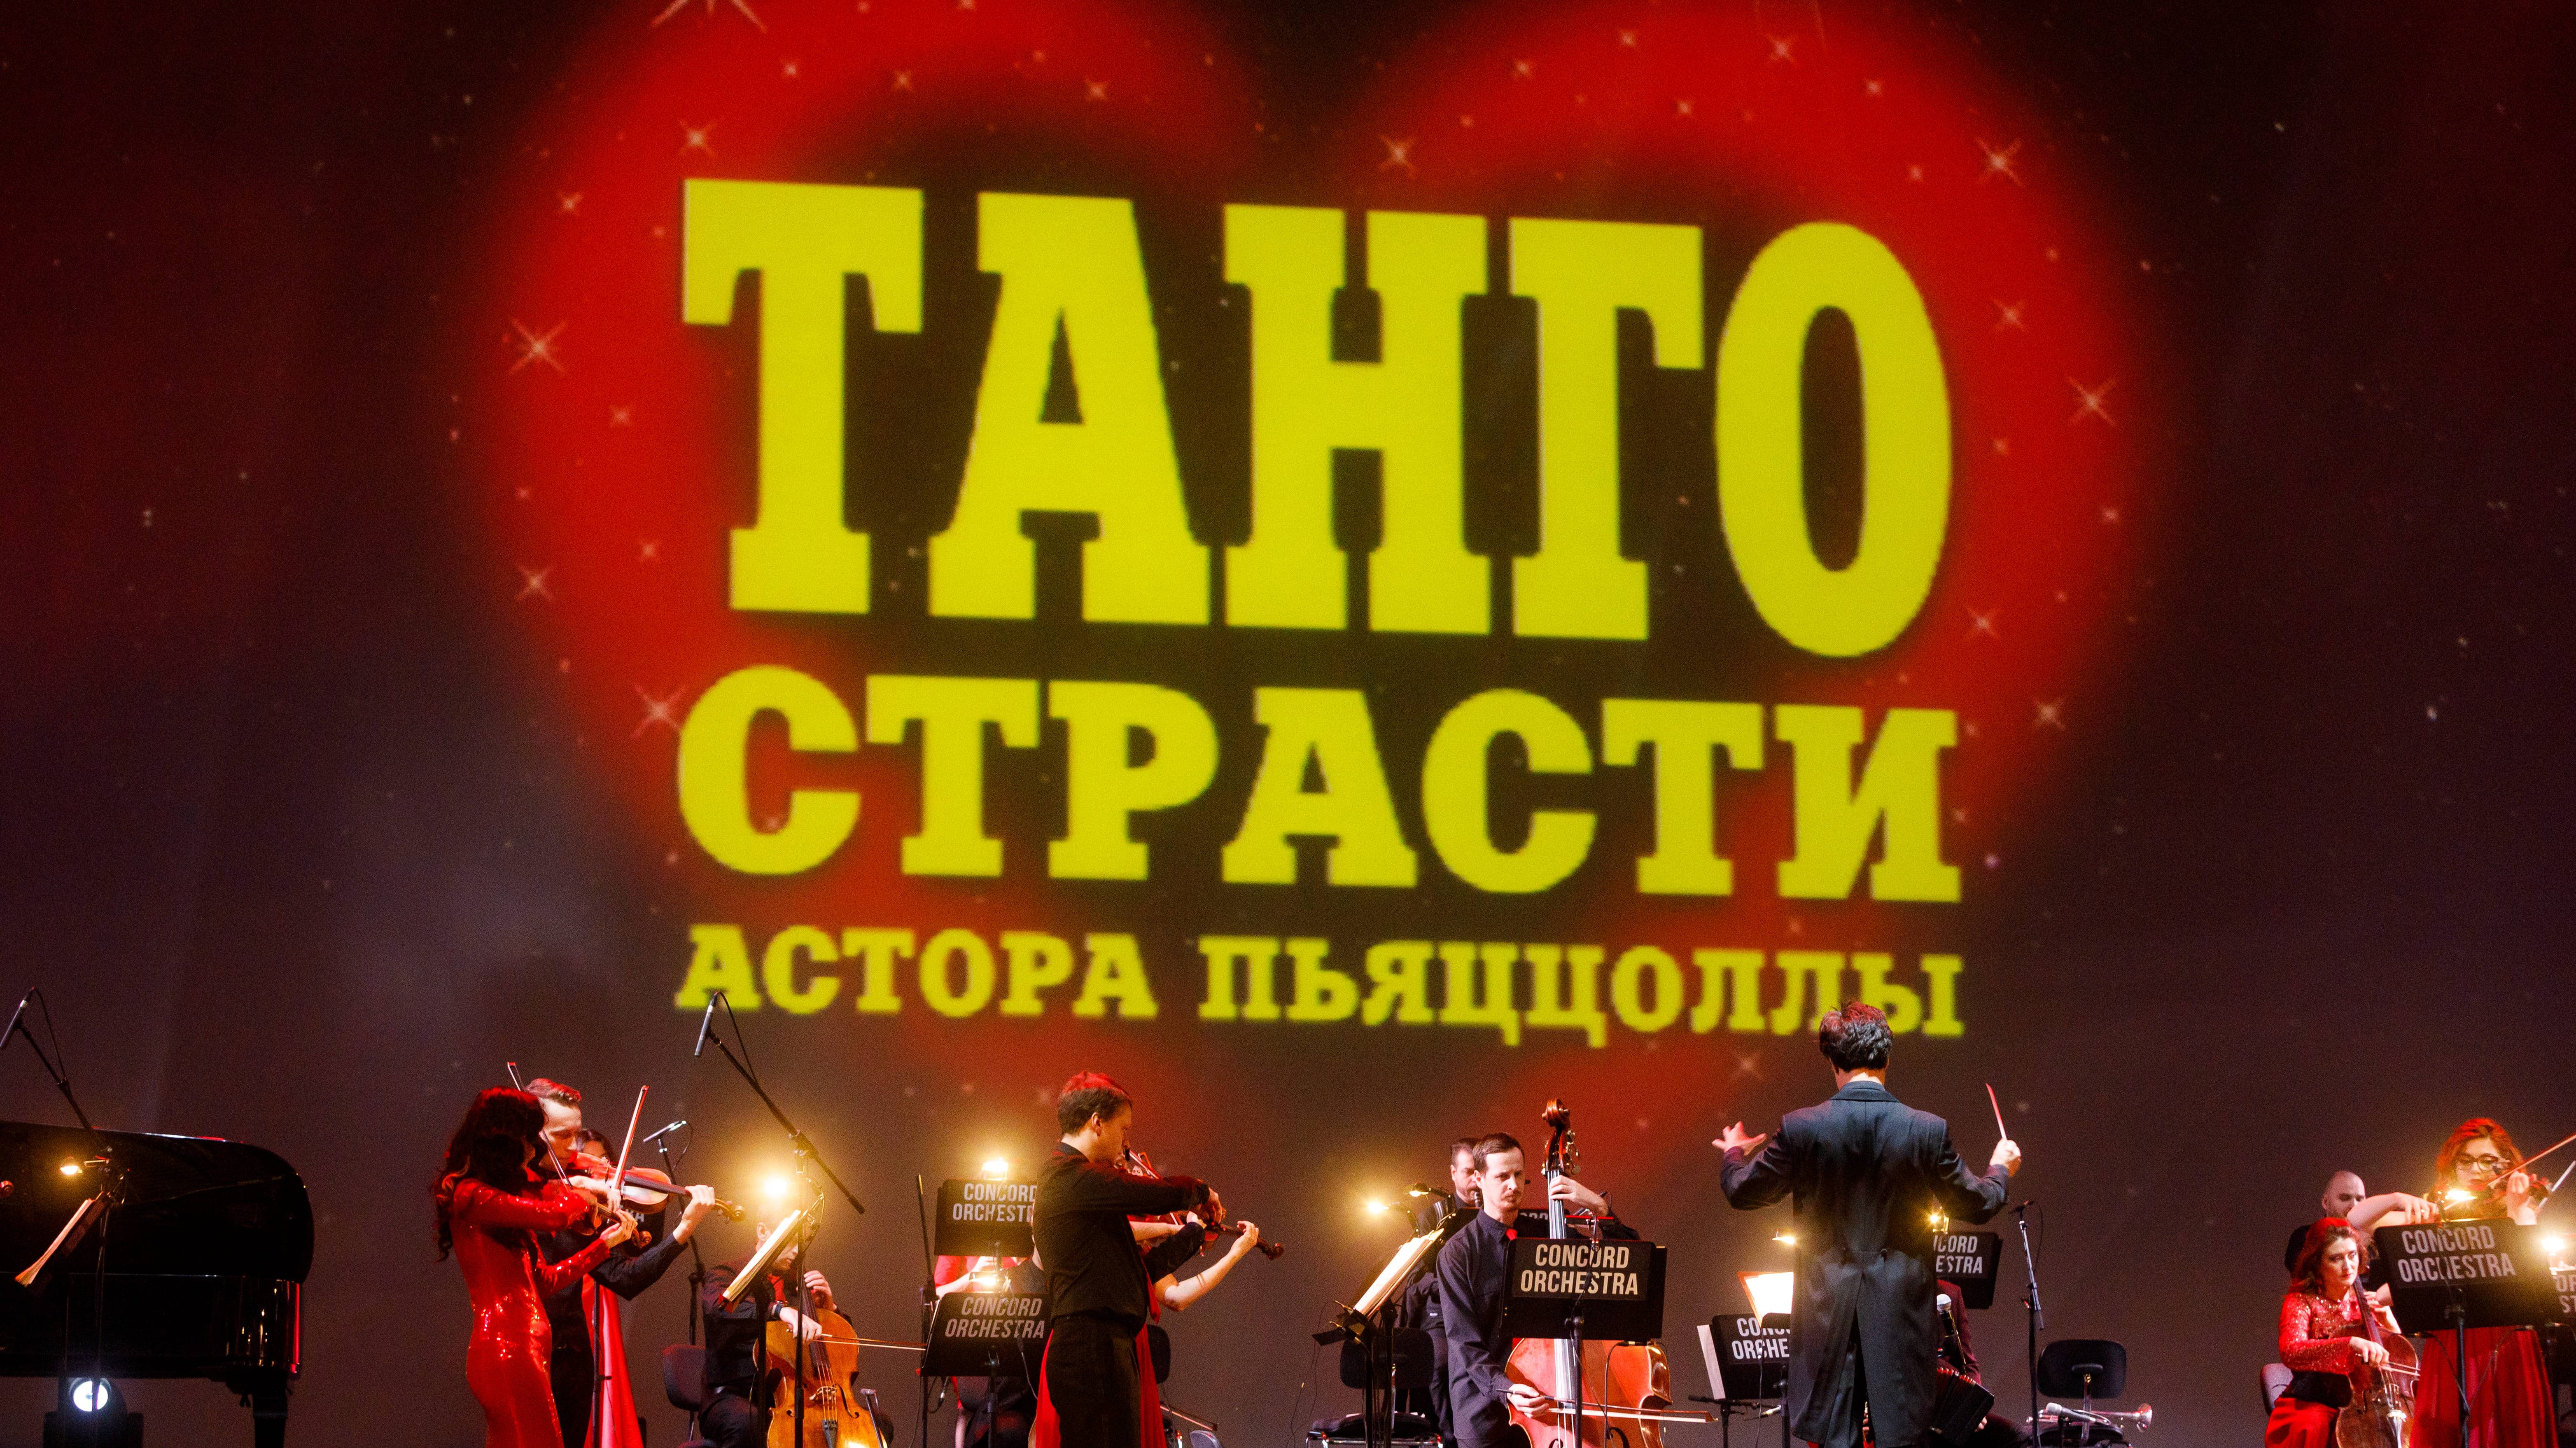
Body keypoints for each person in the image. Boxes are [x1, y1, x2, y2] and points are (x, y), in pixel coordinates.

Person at [1716, 1002, 2018, 1448]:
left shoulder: (1803, 1128)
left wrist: (1733, 1152)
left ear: (1833, 1063)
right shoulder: (1925, 1130)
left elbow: (1742, 1192)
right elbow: (1978, 1204)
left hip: (1827, 1319)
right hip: (1901, 1321)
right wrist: (2000, 1168)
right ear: (1886, 1058)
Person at [434, 1087, 638, 1448]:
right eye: (530, 1141)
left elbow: (543, 1282)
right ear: (505, 1143)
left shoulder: (502, 1205)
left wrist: (602, 1247)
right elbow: (555, 1216)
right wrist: (581, 1189)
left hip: (527, 1349)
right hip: (507, 1349)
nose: (534, 1152)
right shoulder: (472, 1195)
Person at [524, 1078, 719, 1448]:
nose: (575, 1149)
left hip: (572, 1357)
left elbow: (625, 1278)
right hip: (526, 1352)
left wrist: (683, 1230)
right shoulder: (515, 1195)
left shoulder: (580, 1206)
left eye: (576, 1134)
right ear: (532, 1135)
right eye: (562, 1136)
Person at [1030, 1073, 1217, 1448]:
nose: (1127, 1143)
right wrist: (1201, 1191)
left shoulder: (1087, 1194)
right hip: (1089, 1349)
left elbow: (1139, 1274)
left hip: (1108, 1348)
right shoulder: (1068, 1176)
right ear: (1097, 1123)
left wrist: (1193, 1233)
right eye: (1124, 1129)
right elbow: (1148, 1194)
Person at [1433, 1130, 1635, 1448]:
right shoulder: (1458, 1254)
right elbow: (1465, 1345)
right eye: (1502, 1177)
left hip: (1550, 1407)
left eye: (1518, 1175)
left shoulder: (1547, 1235)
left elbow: (1627, 1258)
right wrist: (1508, 1389)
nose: (1514, 1185)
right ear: (1479, 1179)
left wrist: (1598, 1206)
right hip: (1486, 1416)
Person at [2410, 1119, 2553, 1448]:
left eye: (2488, 1161)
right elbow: (2357, 1220)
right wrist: (2395, 1199)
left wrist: (2517, 1210)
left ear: (2506, 1165)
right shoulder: (2437, 1209)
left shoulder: (2520, 1210)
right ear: (2452, 1166)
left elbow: (2533, 1275)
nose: (2476, 1170)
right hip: (2453, 1337)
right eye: (2466, 1161)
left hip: (2508, 1338)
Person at [2266, 1219, 2409, 1448]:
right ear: (2318, 1264)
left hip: (2365, 1404)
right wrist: (2349, 1343)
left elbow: (2396, 1362)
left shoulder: (2364, 1304)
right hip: (2316, 1401)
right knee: (2312, 1425)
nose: (2348, 1266)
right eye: (2336, 1259)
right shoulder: (2301, 1302)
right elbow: (2291, 1351)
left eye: (2353, 1255)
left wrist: (2389, 1323)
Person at [700, 1229, 842, 1448]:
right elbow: (717, 1308)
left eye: (800, 1244)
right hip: (734, 1396)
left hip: (793, 1397)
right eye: (790, 1241)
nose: (796, 1251)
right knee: (748, 1424)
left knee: (876, 1424)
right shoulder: (728, 1273)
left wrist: (830, 1309)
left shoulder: (798, 1286)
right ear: (763, 1231)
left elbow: (842, 1347)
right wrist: (778, 1311)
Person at [2282, 1172, 2435, 1275]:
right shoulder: (2304, 1236)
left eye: (2360, 1199)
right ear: (2326, 1202)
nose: (2354, 1205)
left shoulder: (2379, 1237)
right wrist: (2397, 1199)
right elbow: (2303, 1273)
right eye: (2345, 1198)